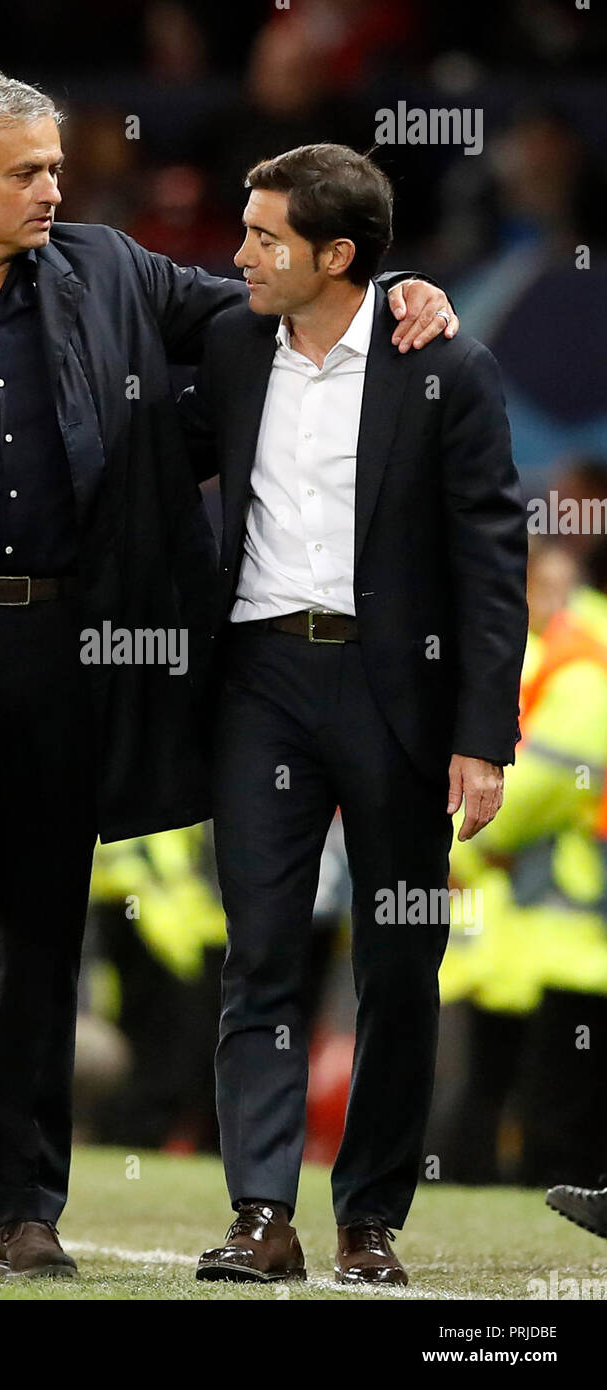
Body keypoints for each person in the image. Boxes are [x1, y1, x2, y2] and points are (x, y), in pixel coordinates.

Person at [0, 73, 457, 1283]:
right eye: (28, 170)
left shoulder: (113, 271)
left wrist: (387, 286)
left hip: (71, 661)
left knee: (44, 938)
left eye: (54, 167)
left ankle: (29, 1210)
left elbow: (268, 295)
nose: (54, 187)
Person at [179, 143, 527, 1286]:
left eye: (265, 238)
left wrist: (485, 733)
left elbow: (490, 562)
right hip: (262, 685)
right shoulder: (230, 340)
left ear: (338, 256)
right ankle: (260, 1215)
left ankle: (369, 1218)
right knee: (262, 954)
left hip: (399, 698)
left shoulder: (446, 365)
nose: (240, 256)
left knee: (398, 961)